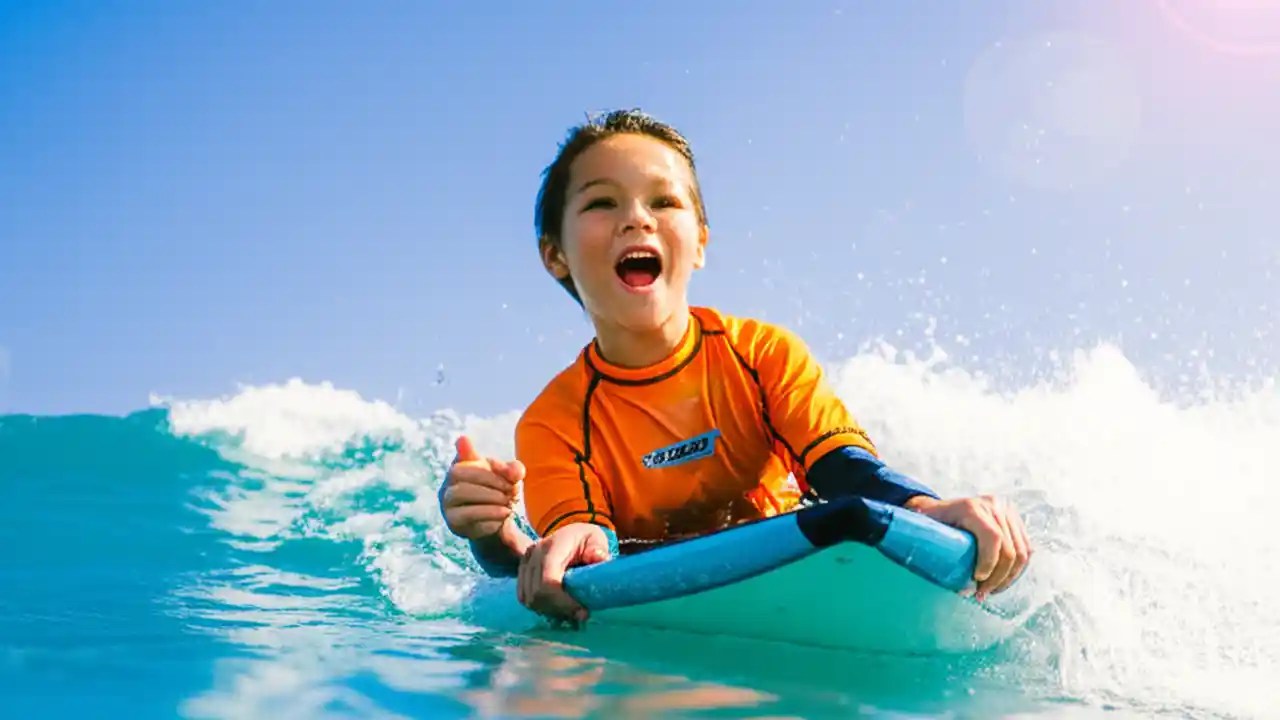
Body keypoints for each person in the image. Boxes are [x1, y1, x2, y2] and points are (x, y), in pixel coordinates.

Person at [439, 109, 1031, 626]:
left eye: (664, 201)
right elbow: (582, 544)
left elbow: (843, 469)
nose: (637, 218)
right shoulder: (555, 421)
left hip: (789, 555)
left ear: (700, 241)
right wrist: (496, 535)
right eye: (601, 202)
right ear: (555, 255)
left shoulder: (761, 354)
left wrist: (926, 510)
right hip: (658, 585)